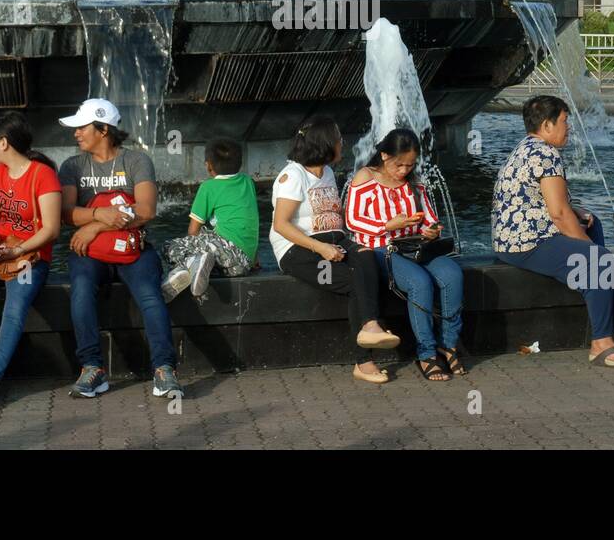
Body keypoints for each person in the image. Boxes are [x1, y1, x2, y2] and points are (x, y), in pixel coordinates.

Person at [491, 95, 614, 368]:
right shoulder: (546, 153)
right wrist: (596, 253)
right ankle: (601, 344)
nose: (570, 128)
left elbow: (545, 202)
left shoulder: (525, 147)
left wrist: (577, 214)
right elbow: (558, 214)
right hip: (527, 244)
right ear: (547, 125)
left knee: (592, 223)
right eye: (565, 121)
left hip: (513, 238)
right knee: (598, 259)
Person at [57, 98, 182, 400]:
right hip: (90, 251)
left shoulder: (136, 161)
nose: (75, 133)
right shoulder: (72, 166)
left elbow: (148, 210)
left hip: (132, 248)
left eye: (81, 127)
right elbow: (65, 213)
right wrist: (99, 215)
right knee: (82, 289)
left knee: (150, 296)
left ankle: (164, 369)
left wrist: (97, 225)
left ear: (102, 129)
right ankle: (92, 368)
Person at [271, 115, 400, 384]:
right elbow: (281, 225)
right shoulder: (292, 175)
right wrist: (320, 248)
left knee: (366, 255)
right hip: (298, 250)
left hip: (334, 241)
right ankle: (364, 360)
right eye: (339, 140)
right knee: (355, 281)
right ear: (325, 144)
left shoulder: (327, 172)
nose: (343, 144)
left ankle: (370, 326)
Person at [0, 111, 62, 412]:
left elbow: (51, 230)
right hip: (0, 250)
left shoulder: (43, 175)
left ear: (4, 143)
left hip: (30, 256)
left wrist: (17, 252)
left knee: (14, 307)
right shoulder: (0, 172)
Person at [346, 128, 465, 382]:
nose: (404, 171)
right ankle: (426, 353)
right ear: (385, 155)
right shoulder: (366, 177)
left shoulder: (414, 181)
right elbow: (353, 220)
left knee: (452, 274)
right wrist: (388, 226)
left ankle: (449, 343)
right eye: (399, 165)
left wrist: (431, 230)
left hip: (417, 247)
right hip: (380, 248)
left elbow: (429, 218)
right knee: (419, 282)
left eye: (409, 165)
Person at [160, 136, 258, 301]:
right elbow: (251, 220)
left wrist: (191, 246)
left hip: (221, 249)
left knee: (169, 247)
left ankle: (191, 264)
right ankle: (193, 266)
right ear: (239, 163)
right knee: (211, 258)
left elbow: (193, 230)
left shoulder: (208, 187)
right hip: (243, 262)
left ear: (208, 165)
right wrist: (254, 257)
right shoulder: (248, 181)